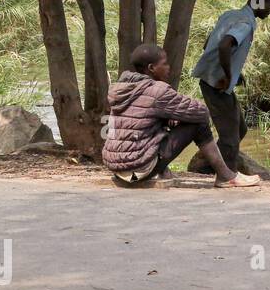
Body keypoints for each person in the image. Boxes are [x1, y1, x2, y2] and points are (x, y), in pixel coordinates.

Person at [103, 43, 260, 188]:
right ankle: (226, 176)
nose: (168, 68)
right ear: (151, 68)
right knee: (198, 123)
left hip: (118, 170)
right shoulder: (158, 91)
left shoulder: (122, 88)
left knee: (166, 123)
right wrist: (178, 117)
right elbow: (202, 112)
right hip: (137, 172)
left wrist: (169, 117)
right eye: (164, 64)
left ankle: (160, 171)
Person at [190, 0, 270, 172]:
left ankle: (208, 167)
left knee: (240, 130)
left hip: (216, 81)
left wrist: (236, 74)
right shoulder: (245, 23)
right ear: (259, 1)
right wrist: (228, 75)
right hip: (217, 85)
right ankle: (227, 176)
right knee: (230, 137)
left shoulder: (230, 15)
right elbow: (224, 45)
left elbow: (209, 44)